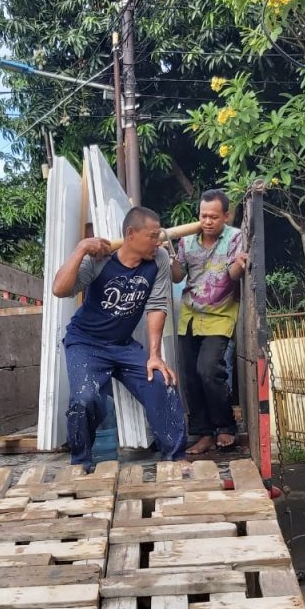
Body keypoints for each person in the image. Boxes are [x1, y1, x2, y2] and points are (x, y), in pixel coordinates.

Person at [52, 206, 186, 470]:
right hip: (86, 343)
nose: (158, 241)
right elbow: (60, 289)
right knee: (84, 398)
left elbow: (157, 305)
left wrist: (155, 355)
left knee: (162, 382)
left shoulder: (158, 259)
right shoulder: (100, 260)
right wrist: (80, 250)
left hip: (123, 346)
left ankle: (176, 458)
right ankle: (81, 463)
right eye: (152, 235)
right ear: (131, 234)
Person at [170, 189, 248, 454]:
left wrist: (240, 263)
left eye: (214, 216)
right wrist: (168, 255)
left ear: (226, 216)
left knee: (209, 370)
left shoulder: (235, 238)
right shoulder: (186, 241)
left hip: (220, 314)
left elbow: (235, 274)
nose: (208, 221)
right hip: (190, 315)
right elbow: (178, 276)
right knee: (190, 377)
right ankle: (203, 434)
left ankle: (225, 427)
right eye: (204, 215)